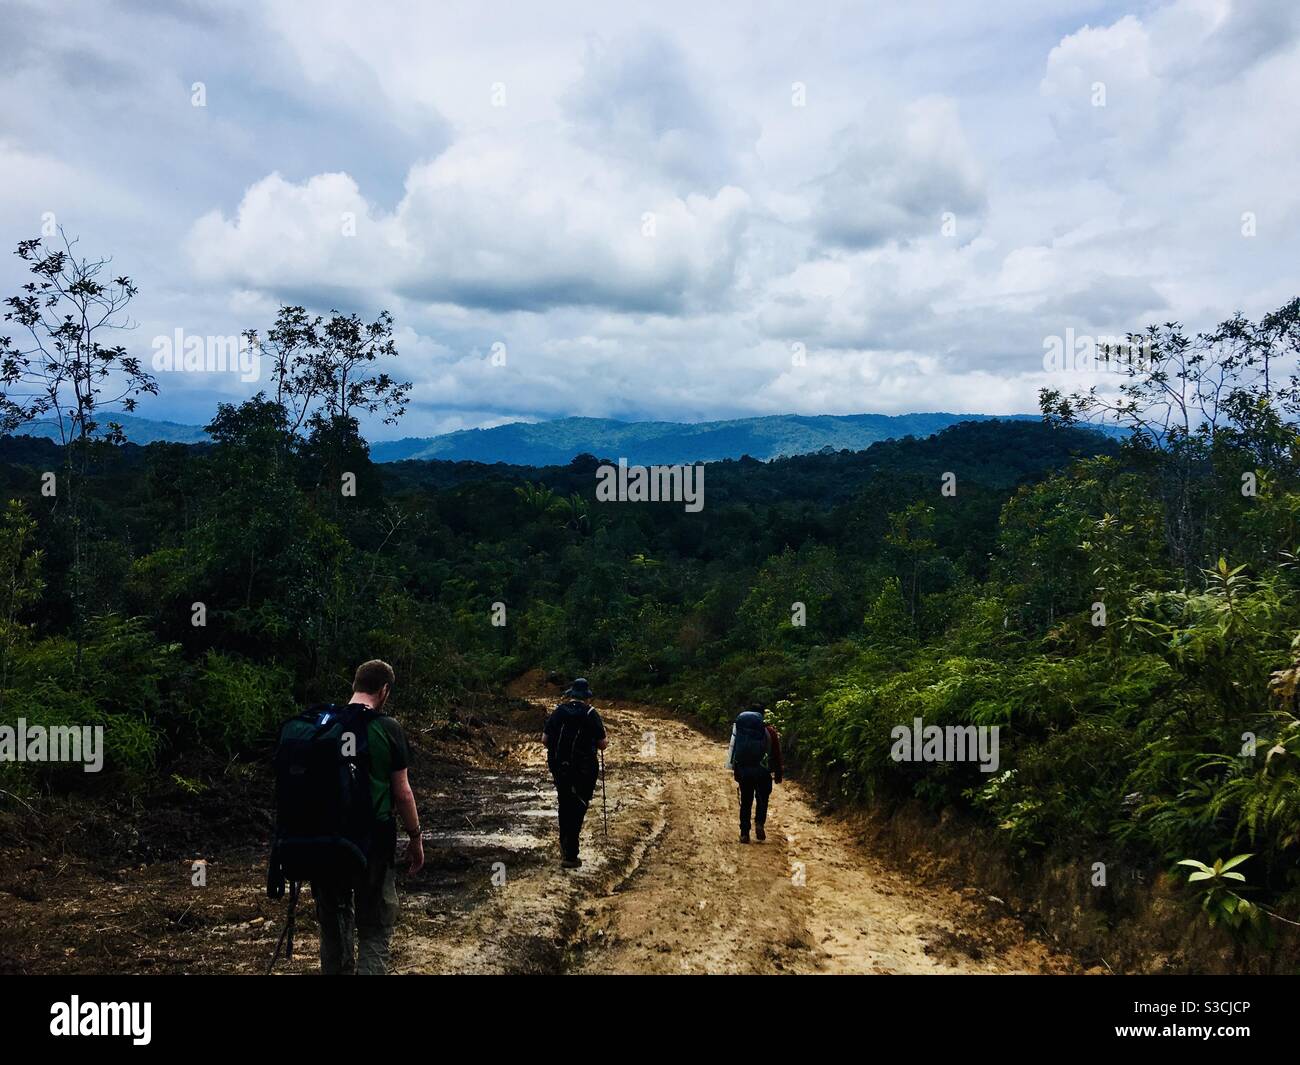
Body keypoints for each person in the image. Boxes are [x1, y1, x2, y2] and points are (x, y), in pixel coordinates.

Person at [312, 659, 424, 975]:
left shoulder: (322, 722)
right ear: (384, 690)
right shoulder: (387, 728)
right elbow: (402, 792)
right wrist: (415, 837)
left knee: (333, 924)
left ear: (355, 685)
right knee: (374, 927)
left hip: (325, 842)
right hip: (372, 844)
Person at [542, 678, 608, 869]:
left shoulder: (559, 712)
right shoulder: (591, 713)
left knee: (564, 803)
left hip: (560, 768)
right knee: (578, 805)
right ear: (587, 697)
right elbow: (602, 744)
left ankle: (565, 843)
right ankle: (571, 854)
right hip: (584, 770)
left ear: (571, 695)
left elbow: (544, 740)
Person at [726, 704, 783, 843]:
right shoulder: (769, 731)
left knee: (746, 801)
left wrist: (736, 771)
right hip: (763, 772)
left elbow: (733, 751)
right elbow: (776, 753)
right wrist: (778, 774)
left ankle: (744, 833)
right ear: (762, 715)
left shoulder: (740, 731)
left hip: (744, 770)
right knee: (762, 800)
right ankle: (759, 824)